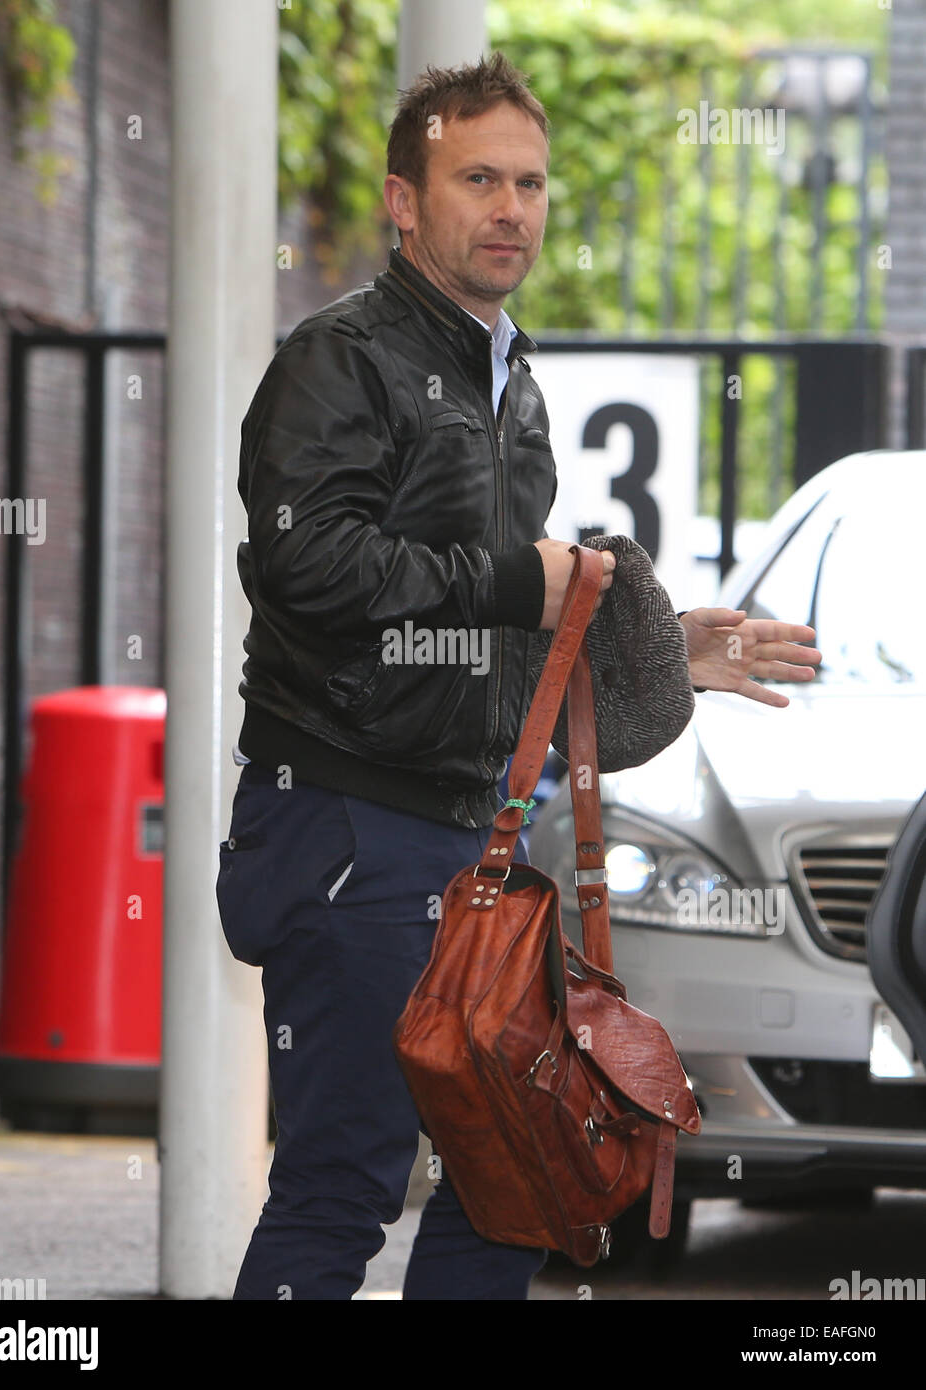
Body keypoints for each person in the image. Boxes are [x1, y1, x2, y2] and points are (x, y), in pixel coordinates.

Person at [216, 51, 820, 1302]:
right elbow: (307, 568)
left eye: (530, 183)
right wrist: (510, 585)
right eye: (477, 177)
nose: (511, 209)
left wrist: (663, 654)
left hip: (468, 835)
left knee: (515, 1176)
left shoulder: (515, 387)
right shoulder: (341, 360)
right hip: (345, 821)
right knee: (346, 1177)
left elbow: (498, 611)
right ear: (403, 200)